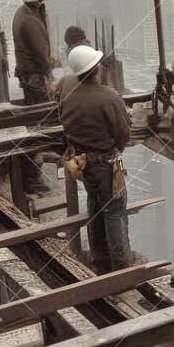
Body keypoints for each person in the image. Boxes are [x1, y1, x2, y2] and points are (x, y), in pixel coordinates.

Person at [58, 44, 135, 272]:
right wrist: (115, 149)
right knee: (114, 212)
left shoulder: (67, 87)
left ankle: (99, 260)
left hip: (83, 161)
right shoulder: (107, 97)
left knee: (94, 205)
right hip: (105, 164)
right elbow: (123, 134)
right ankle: (121, 267)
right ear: (96, 69)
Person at [13, 0, 56, 194]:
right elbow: (41, 56)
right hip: (35, 78)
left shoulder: (25, 13)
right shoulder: (29, 21)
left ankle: (32, 171)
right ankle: (32, 176)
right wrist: (52, 72)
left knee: (36, 123)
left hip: (29, 75)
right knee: (40, 125)